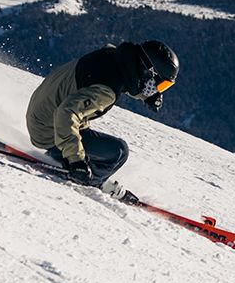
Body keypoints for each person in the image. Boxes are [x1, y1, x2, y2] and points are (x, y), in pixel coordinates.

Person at [26, 40, 179, 202]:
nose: (158, 90)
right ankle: (85, 179)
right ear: (149, 73)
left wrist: (144, 95)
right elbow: (65, 113)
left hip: (42, 112)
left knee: (93, 139)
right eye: (161, 85)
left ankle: (81, 166)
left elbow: (126, 76)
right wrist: (76, 160)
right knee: (118, 152)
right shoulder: (106, 91)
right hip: (48, 130)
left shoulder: (112, 55)